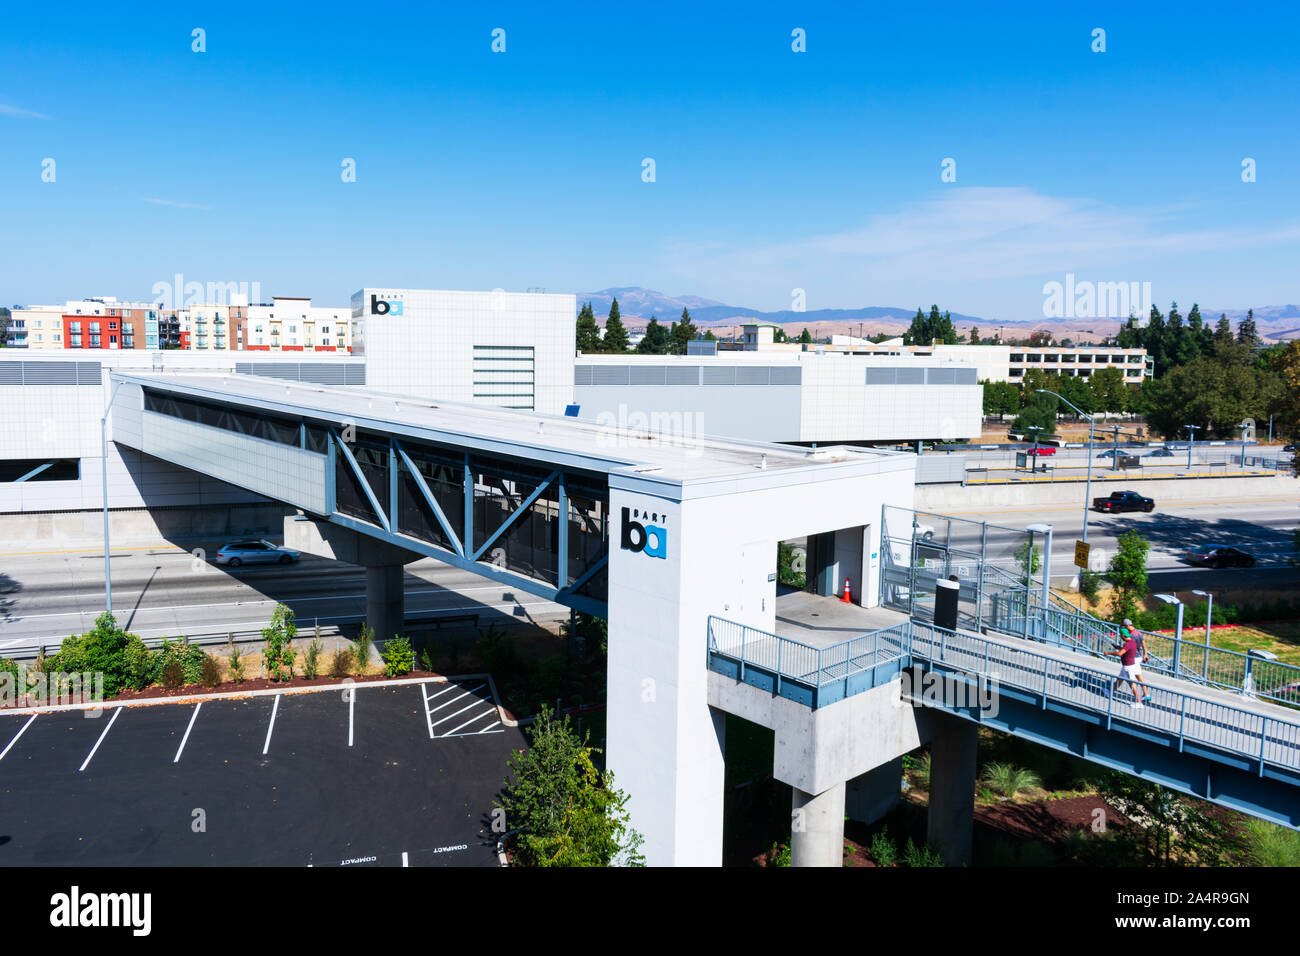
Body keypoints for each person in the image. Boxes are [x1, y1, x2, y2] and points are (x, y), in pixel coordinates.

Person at [1106, 628, 1149, 707]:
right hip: (1128, 665)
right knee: (1119, 680)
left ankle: (1139, 703)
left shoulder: (1127, 643)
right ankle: (1110, 693)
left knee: (1132, 684)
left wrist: (1109, 652)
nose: (1120, 637)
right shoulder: (1132, 642)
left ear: (1123, 635)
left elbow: (1120, 654)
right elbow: (1128, 650)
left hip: (1128, 666)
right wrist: (1119, 647)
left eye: (1120, 635)